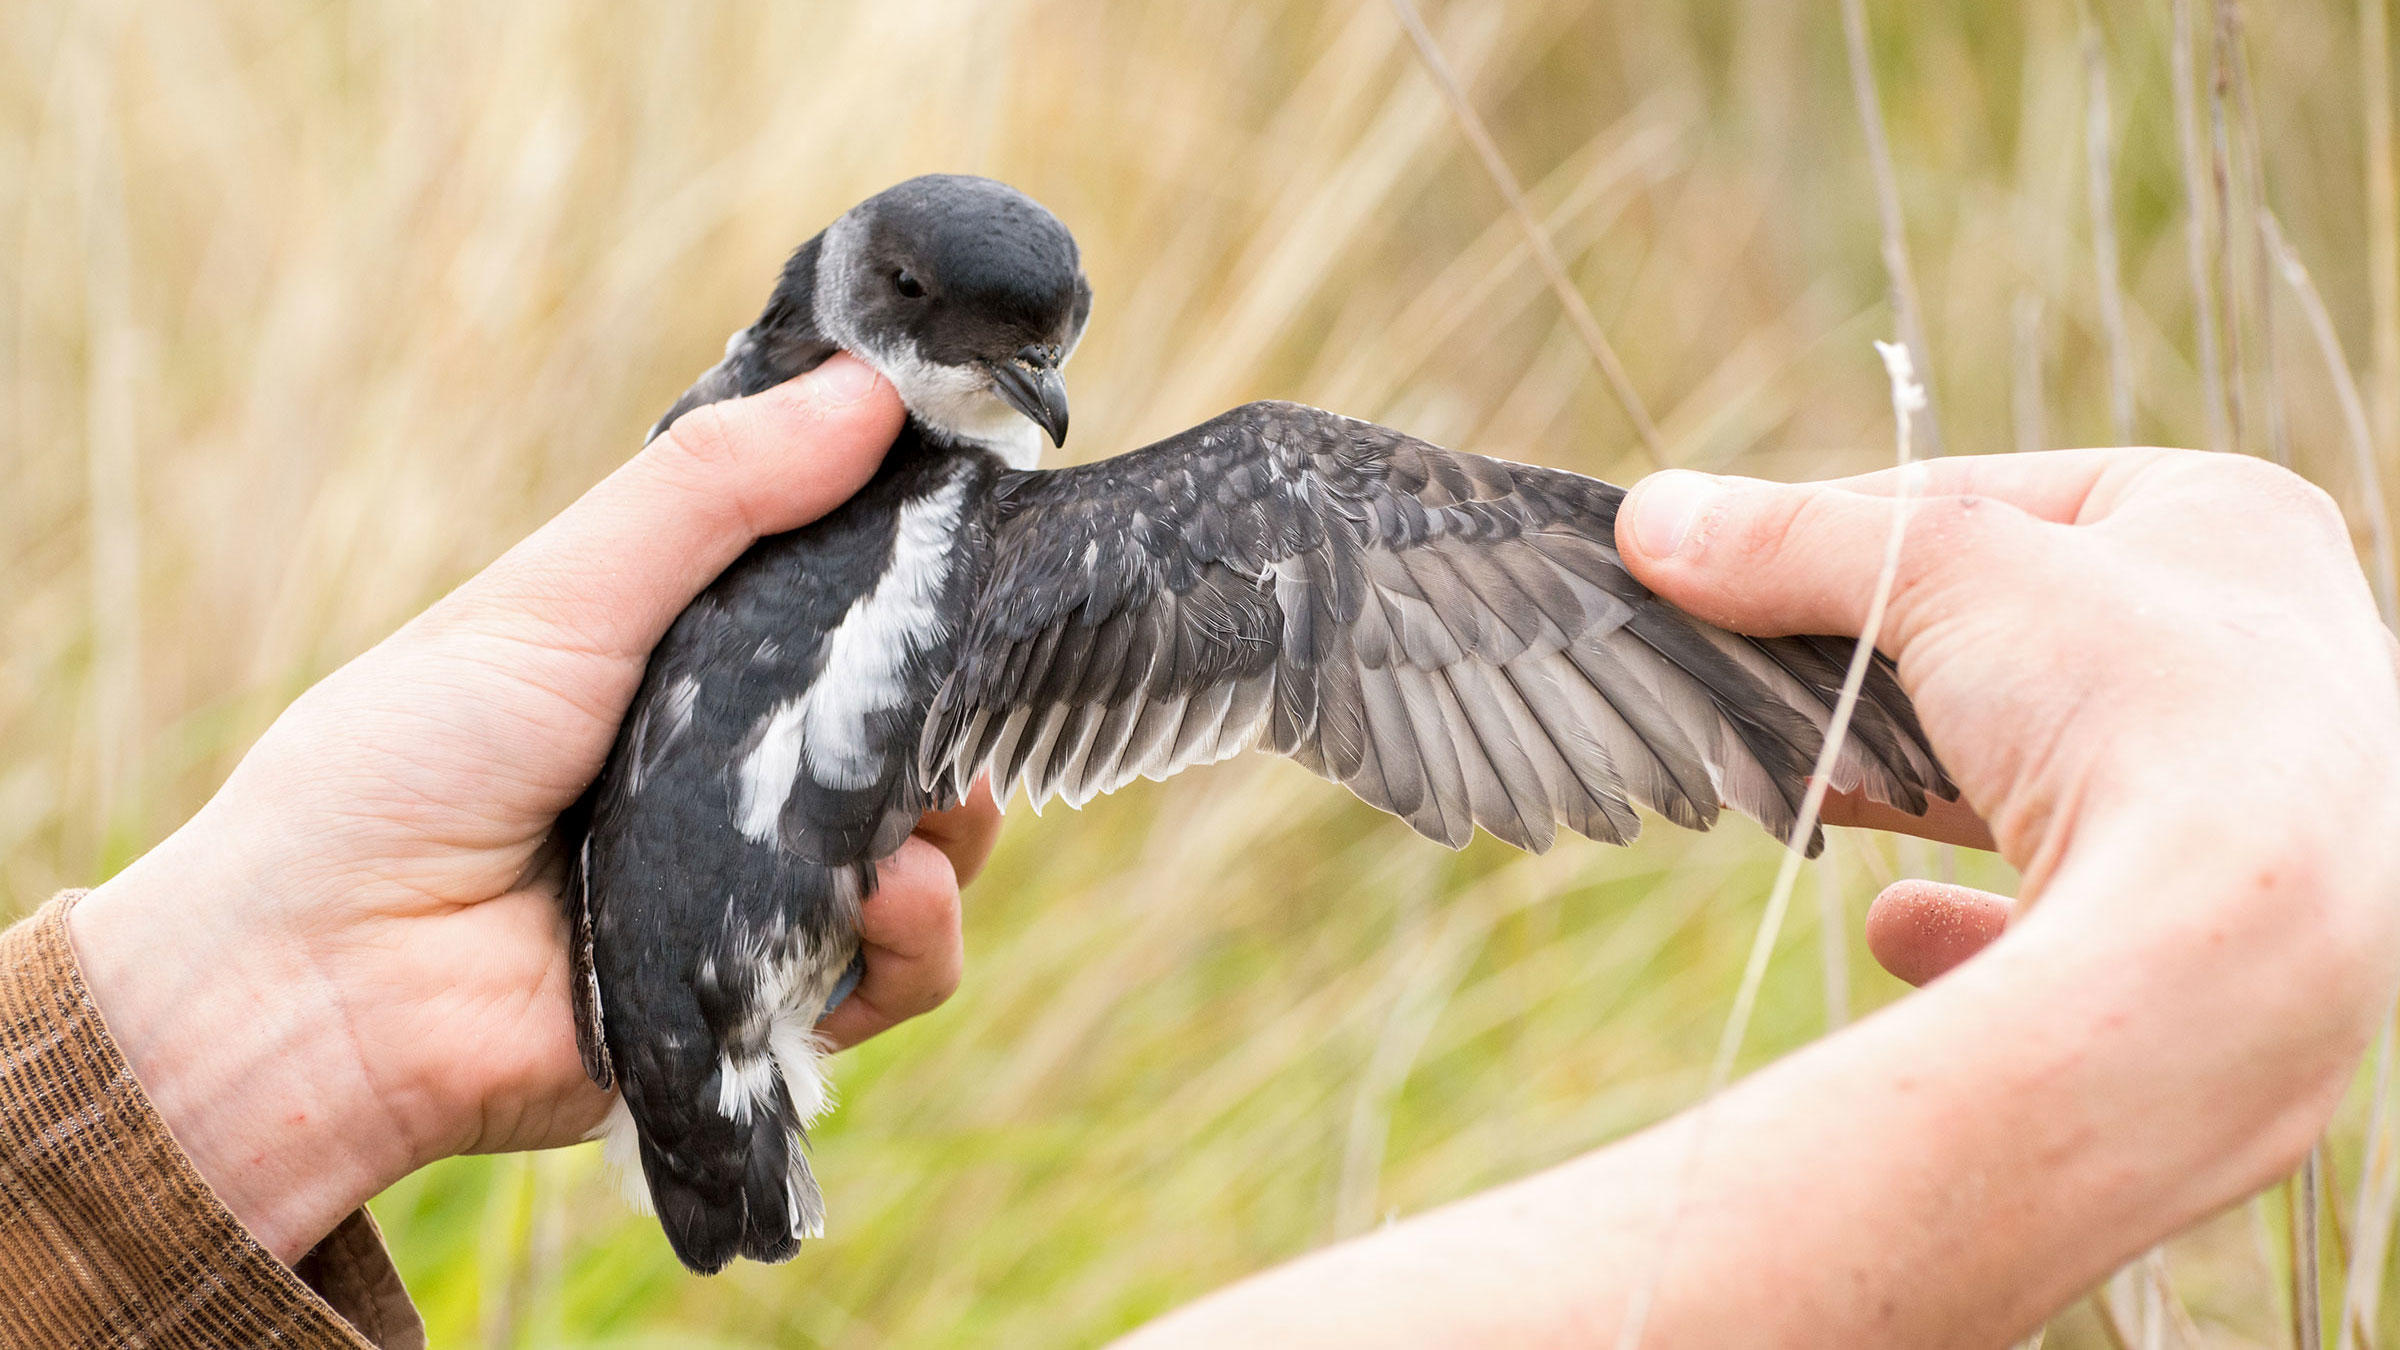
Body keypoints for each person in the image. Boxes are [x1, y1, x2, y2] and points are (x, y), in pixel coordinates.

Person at [2, 355, 2394, 1347]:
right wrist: (2164, 1004)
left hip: (492, 1011)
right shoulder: (1084, 515)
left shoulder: (768, 479)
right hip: (644, 991)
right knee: (1334, 505)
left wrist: (229, 1036)